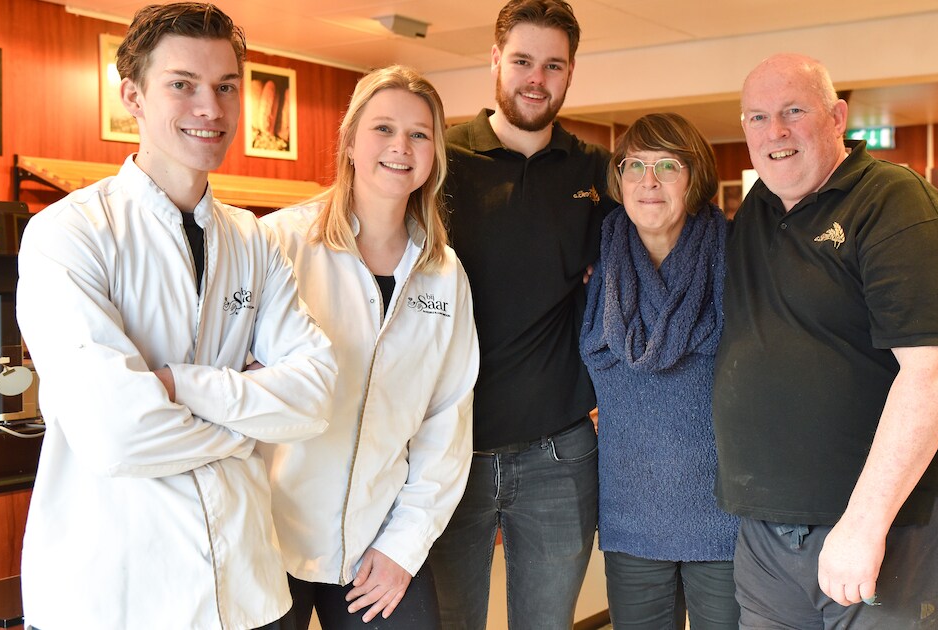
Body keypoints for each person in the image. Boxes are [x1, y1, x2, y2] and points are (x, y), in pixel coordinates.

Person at [15, 4, 338, 629]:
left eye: (224, 87)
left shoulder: (253, 239)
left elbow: (315, 396)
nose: (209, 109)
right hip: (120, 598)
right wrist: (251, 424)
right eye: (182, 85)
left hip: (248, 594)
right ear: (133, 96)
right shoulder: (71, 233)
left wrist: (179, 386)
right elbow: (115, 432)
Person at [712, 52, 938, 629]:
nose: (775, 131)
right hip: (768, 531)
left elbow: (931, 372)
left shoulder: (894, 203)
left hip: (890, 524)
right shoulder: (756, 210)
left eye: (794, 111)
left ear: (837, 118)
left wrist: (865, 523)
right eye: (757, 118)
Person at [260, 65, 479, 629]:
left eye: (419, 134)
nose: (400, 147)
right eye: (383, 128)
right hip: (268, 534)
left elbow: (446, 421)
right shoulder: (279, 244)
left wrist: (404, 546)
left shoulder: (442, 273)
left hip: (375, 537)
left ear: (435, 153)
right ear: (350, 142)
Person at [426, 0, 612, 628]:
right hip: (448, 453)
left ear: (571, 72)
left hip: (559, 456)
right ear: (496, 62)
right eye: (523, 61)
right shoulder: (439, 160)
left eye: (553, 65)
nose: (537, 78)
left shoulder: (595, 170)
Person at [580, 113, 739, 629]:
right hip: (631, 516)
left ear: (695, 179)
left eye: (668, 165)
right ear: (618, 178)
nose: (648, 181)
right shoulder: (599, 263)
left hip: (728, 518)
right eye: (636, 166)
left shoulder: (738, 259)